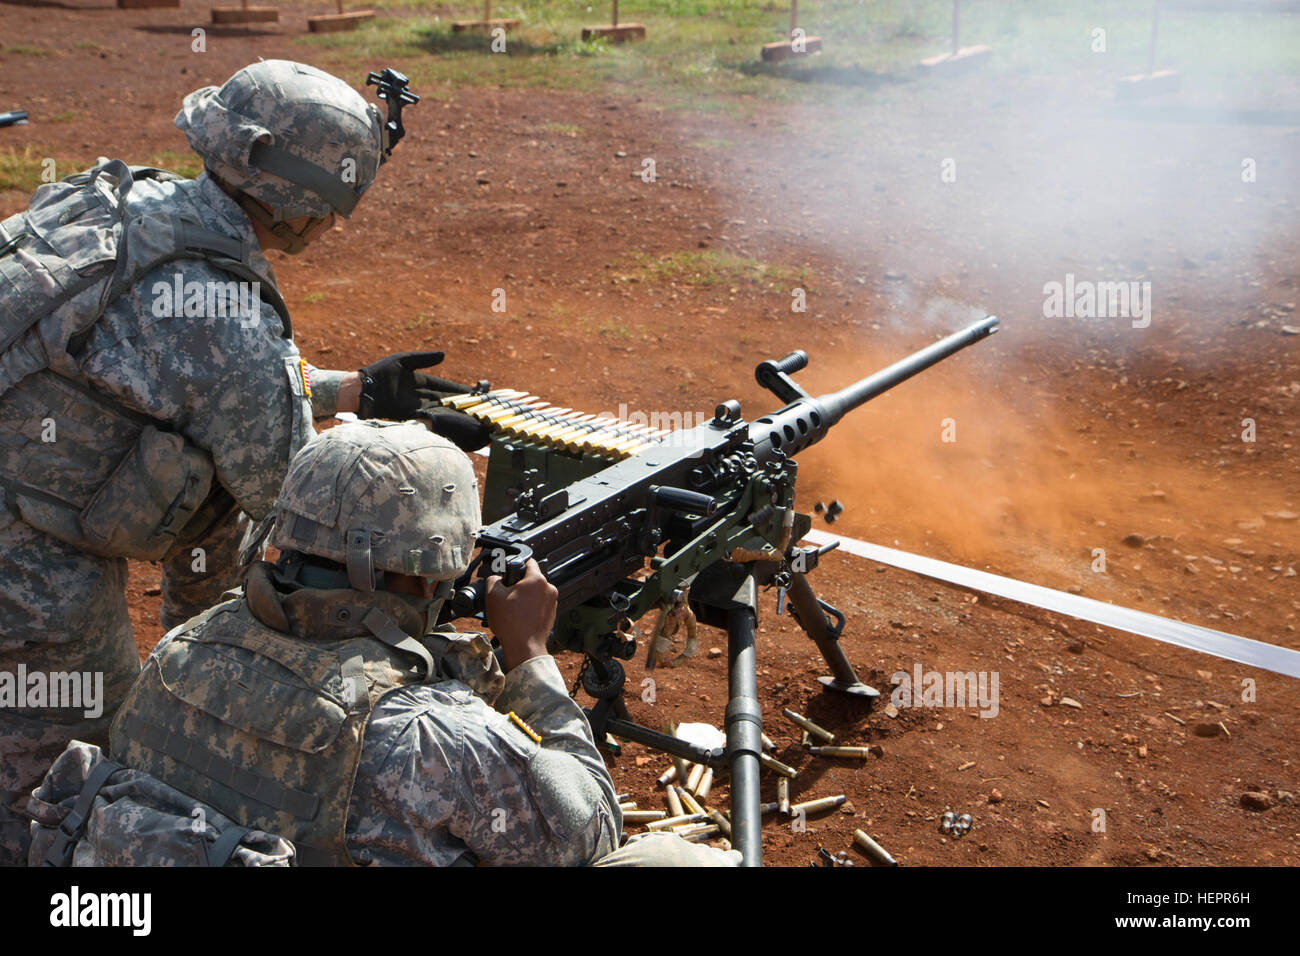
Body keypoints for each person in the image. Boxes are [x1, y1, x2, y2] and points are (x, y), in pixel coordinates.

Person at [0, 59, 482, 865]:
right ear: (301, 202)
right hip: (31, 575)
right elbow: (293, 500)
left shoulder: (115, 201)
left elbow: (138, 371)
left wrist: (350, 389)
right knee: (63, 781)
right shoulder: (233, 325)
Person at [27, 421, 738, 866]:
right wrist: (530, 658)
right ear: (420, 567)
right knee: (678, 861)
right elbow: (588, 831)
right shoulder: (431, 737)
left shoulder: (183, 650)